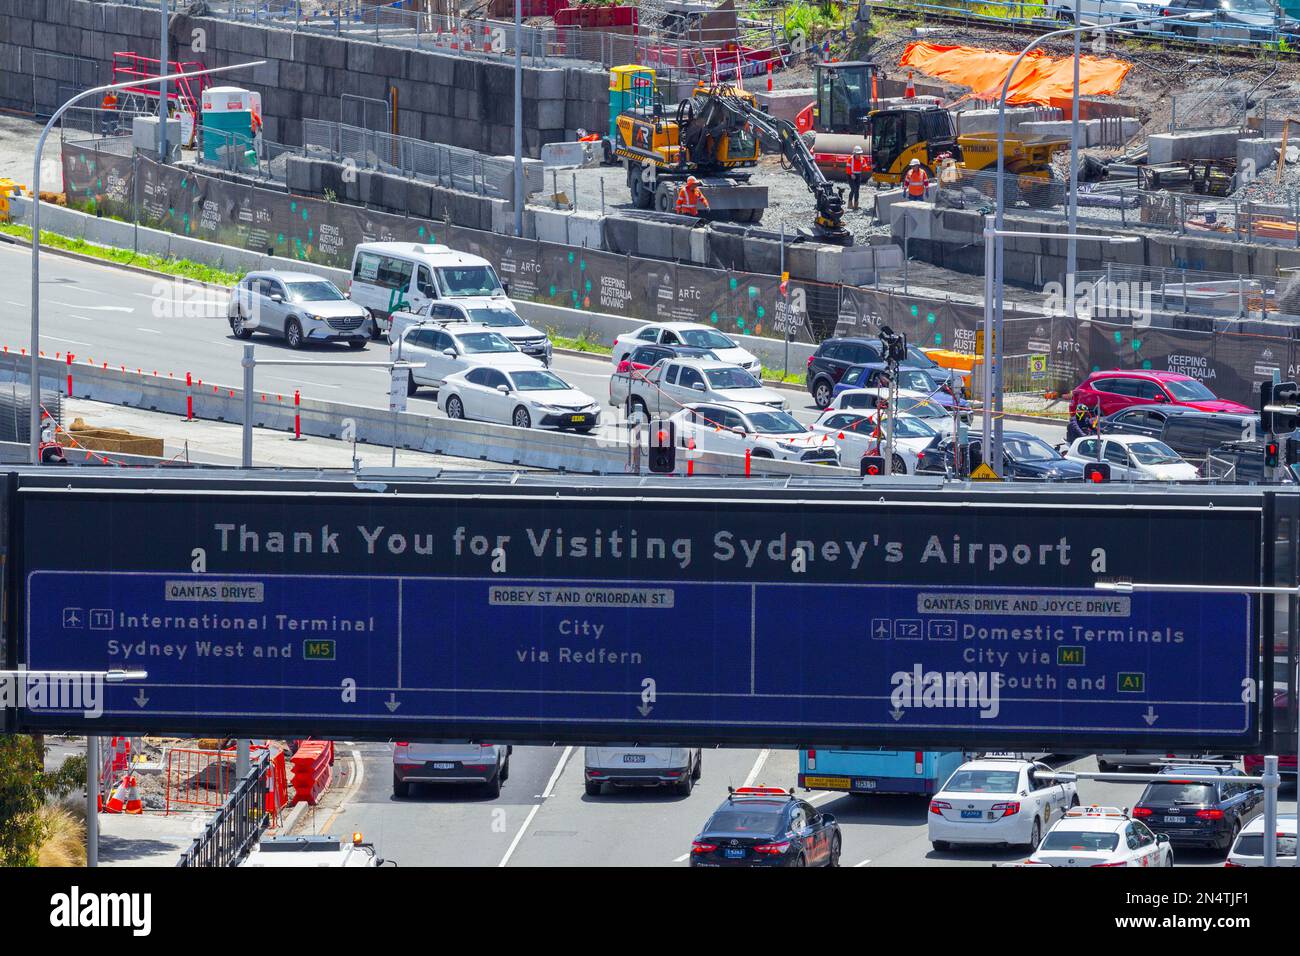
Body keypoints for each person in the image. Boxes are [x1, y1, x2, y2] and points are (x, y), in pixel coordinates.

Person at [846, 144, 868, 210]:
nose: (859, 155)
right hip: (850, 175)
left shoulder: (862, 159)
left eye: (860, 154)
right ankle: (849, 204)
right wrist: (851, 174)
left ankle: (856, 205)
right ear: (854, 153)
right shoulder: (850, 159)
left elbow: (865, 168)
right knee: (853, 189)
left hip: (858, 175)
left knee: (857, 190)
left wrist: (871, 168)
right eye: (858, 154)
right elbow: (847, 168)